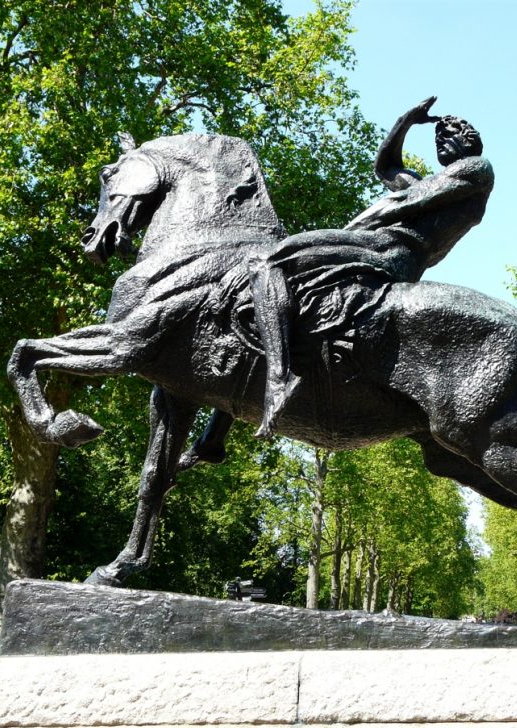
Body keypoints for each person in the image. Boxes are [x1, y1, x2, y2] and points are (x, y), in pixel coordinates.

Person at [179, 96, 494, 463]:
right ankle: (212, 439)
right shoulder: (433, 181)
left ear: (470, 141)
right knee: (272, 308)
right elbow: (386, 167)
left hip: (389, 251)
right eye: (438, 136)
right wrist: (405, 121)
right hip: (375, 245)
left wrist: (349, 228)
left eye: (451, 135)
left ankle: (279, 382)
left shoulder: (475, 169)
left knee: (267, 261)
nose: (443, 141)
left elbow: (408, 202)